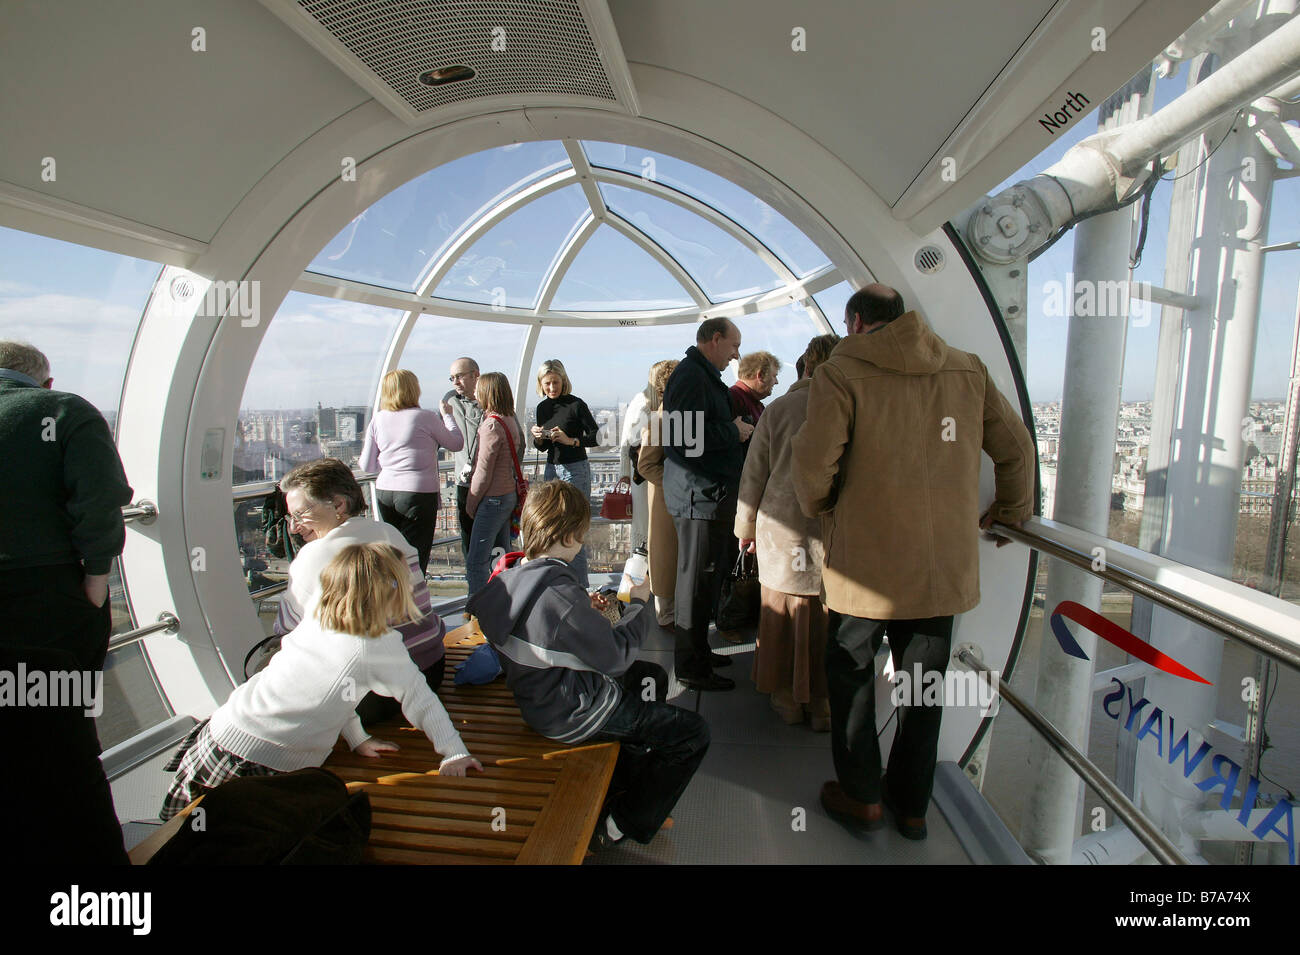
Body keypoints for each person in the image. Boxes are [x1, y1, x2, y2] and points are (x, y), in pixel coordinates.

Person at [791, 284, 1035, 840]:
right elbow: (1016, 447)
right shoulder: (965, 368)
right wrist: (1012, 510)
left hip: (865, 569)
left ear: (855, 323)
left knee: (851, 675)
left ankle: (861, 796)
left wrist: (824, 507)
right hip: (940, 569)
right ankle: (912, 804)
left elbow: (812, 466)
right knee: (923, 685)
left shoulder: (840, 373)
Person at [466, 480, 709, 850]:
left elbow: (545, 634)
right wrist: (640, 605)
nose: (582, 542)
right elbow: (616, 656)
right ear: (567, 537)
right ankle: (616, 825)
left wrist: (583, 611)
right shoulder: (560, 599)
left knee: (652, 677)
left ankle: (624, 781)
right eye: (580, 535)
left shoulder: (511, 581)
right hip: (576, 711)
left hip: (538, 700)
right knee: (692, 734)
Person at [162, 542, 481, 819]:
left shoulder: (317, 615)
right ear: (389, 593)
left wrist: (357, 738)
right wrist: (454, 751)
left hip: (221, 736)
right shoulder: (377, 644)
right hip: (260, 762)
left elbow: (333, 690)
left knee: (191, 839)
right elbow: (420, 700)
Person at [0, 341, 134, 864]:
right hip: (46, 603)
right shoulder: (62, 410)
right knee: (62, 744)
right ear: (44, 382)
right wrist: (96, 576)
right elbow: (100, 497)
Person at [274, 458, 445, 727]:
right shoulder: (389, 533)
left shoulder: (313, 556)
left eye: (299, 515)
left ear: (339, 505)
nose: (294, 527)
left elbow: (285, 631)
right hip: (431, 670)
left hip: (372, 697)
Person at [736, 335, 837, 730]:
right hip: (832, 532)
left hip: (781, 530)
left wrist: (745, 530)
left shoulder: (778, 410)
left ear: (804, 367)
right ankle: (822, 705)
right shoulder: (851, 407)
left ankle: (785, 698)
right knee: (827, 618)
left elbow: (754, 475)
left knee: (780, 615)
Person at [661, 317, 754, 691]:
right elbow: (683, 440)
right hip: (697, 497)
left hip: (705, 496)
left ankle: (699, 650)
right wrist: (733, 430)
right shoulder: (691, 377)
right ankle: (689, 668)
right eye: (734, 345)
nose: (737, 354)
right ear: (715, 340)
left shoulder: (700, 376)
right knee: (694, 584)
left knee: (704, 581)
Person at [360, 369, 463, 574]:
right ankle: (414, 601)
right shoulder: (425, 417)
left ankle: (394, 600)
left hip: (385, 492)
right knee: (416, 554)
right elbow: (456, 443)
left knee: (394, 553)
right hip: (417, 493)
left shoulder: (379, 419)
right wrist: (448, 417)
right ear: (414, 390)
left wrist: (391, 466)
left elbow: (367, 466)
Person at [530, 359, 598, 588]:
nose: (552, 388)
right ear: (541, 383)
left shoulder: (576, 405)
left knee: (573, 529)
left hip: (575, 469)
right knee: (551, 527)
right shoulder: (542, 408)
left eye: (555, 382)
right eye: (547, 383)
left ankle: (579, 588)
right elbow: (543, 448)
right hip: (552, 468)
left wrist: (572, 440)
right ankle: (558, 585)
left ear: (563, 381)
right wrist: (538, 438)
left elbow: (596, 436)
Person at [466, 371, 525, 598]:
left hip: (493, 499)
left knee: (477, 561)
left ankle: (479, 609)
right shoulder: (509, 420)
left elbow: (483, 471)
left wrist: (471, 502)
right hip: (508, 495)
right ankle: (507, 601)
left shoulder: (491, 425)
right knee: (503, 555)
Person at [636, 359, 679, 628]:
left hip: (671, 498)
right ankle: (666, 614)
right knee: (665, 556)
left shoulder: (673, 414)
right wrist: (677, 483)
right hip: (665, 499)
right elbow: (646, 464)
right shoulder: (662, 417)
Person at [443, 358, 484, 562]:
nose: (455, 382)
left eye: (459, 376)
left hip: (489, 483)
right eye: (452, 378)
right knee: (468, 538)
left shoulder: (492, 404)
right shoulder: (452, 403)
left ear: (475, 375)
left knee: (492, 541)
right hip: (464, 482)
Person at [620, 378, 652, 554]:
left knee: (644, 520)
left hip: (642, 471)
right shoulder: (641, 401)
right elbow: (627, 439)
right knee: (643, 520)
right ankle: (642, 564)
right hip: (642, 473)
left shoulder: (639, 400)